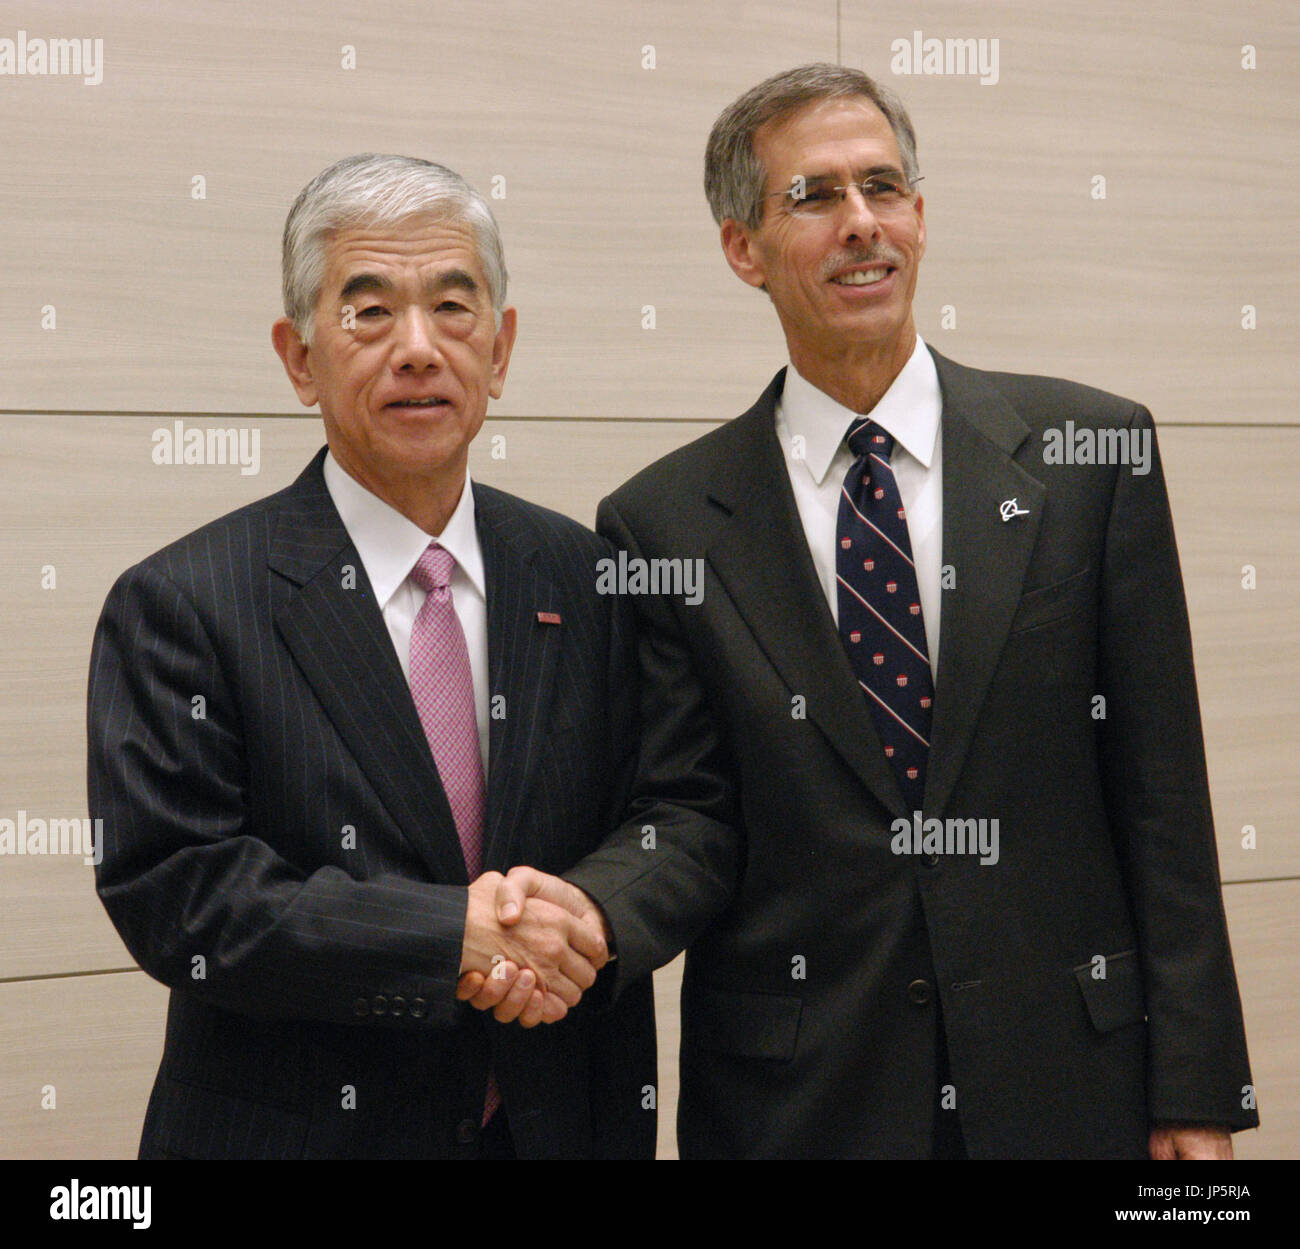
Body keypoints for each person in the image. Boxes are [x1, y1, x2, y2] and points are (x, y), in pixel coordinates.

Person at [463, 64, 1258, 1159]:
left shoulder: (1091, 456)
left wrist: (1199, 1092)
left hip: (1071, 1084)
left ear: (920, 218)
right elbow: (688, 813)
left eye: (882, 187)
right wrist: (588, 919)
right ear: (743, 248)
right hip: (800, 1100)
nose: (860, 225)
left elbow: (1162, 799)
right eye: (814, 197)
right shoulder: (660, 525)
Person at [87, 153, 655, 1160]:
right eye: (369, 312)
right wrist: (450, 937)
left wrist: (588, 916)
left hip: (562, 1122)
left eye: (452, 305)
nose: (419, 348)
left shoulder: (590, 574)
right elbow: (181, 894)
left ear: (502, 346)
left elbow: (674, 810)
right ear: (298, 358)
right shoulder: (183, 602)